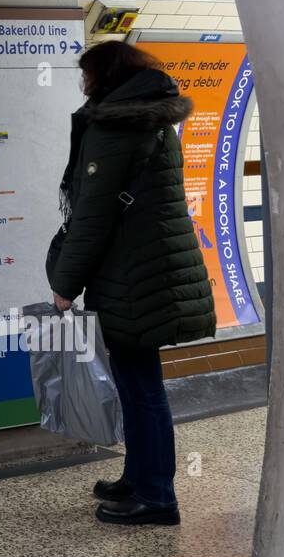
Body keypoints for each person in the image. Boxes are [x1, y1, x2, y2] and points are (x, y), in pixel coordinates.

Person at [46, 40, 216, 526]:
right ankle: (139, 477)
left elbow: (93, 218)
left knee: (142, 388)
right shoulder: (153, 120)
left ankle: (158, 495)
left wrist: (65, 285)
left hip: (135, 277)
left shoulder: (115, 128)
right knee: (137, 383)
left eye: (87, 75)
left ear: (106, 76)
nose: (83, 84)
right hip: (146, 269)